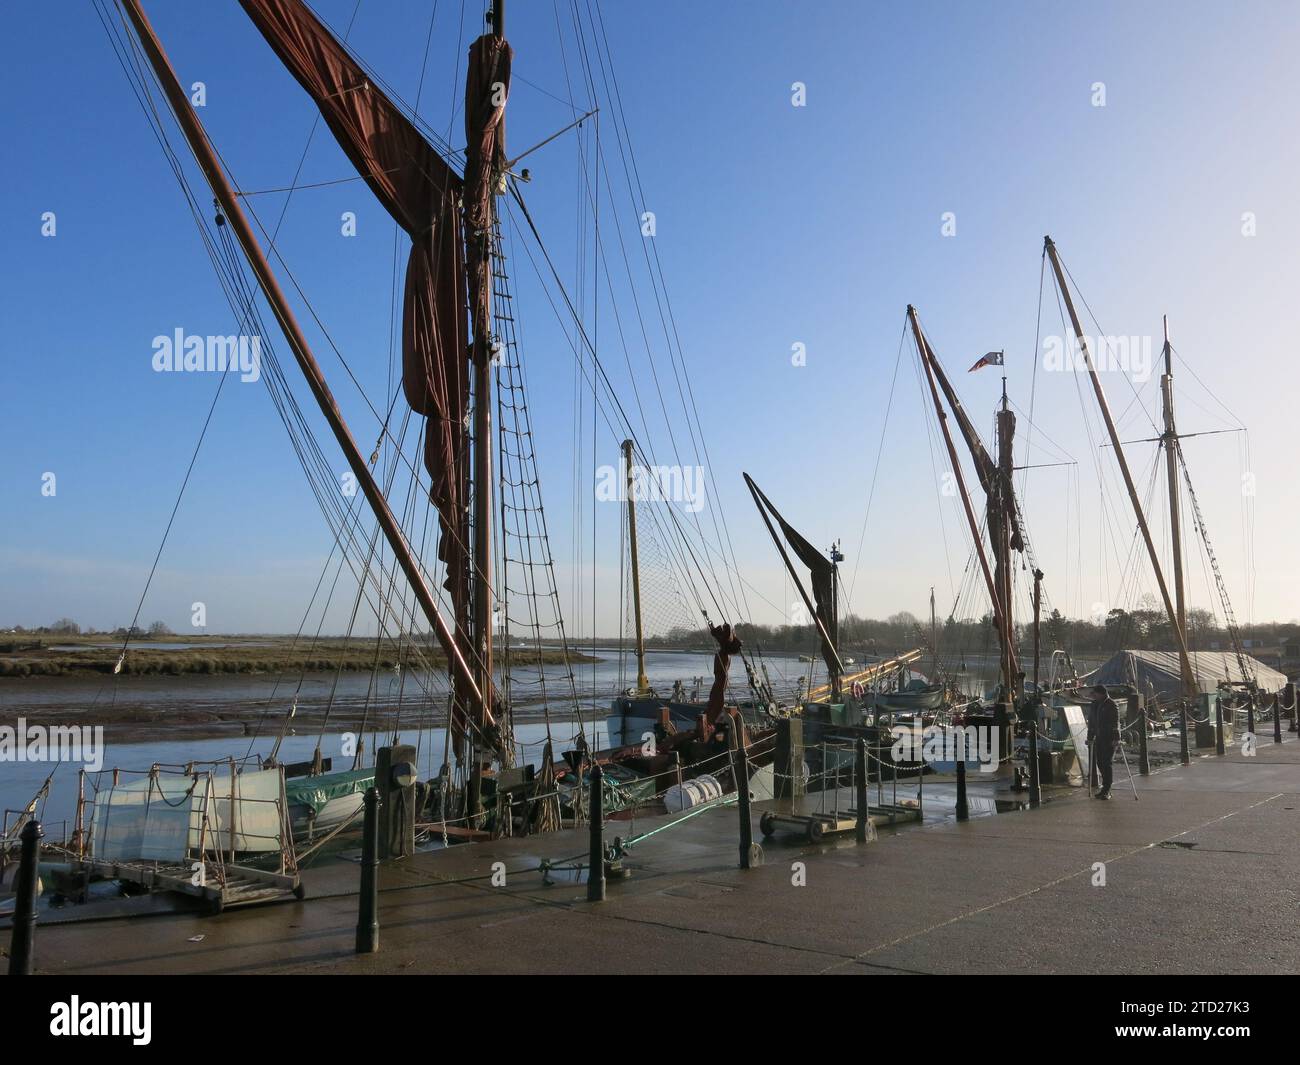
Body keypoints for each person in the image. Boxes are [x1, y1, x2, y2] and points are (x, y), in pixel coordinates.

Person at [1087, 684, 1120, 799]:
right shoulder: (1095, 705)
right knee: (1100, 762)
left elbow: (1115, 722)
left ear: (1101, 693)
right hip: (1099, 738)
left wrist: (1116, 738)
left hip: (1108, 738)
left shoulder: (1111, 704)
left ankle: (1107, 789)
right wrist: (1089, 737)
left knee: (1107, 763)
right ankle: (1104, 786)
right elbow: (1091, 722)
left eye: (1095, 694)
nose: (1094, 696)